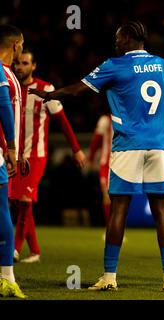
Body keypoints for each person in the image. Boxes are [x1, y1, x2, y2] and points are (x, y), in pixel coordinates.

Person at [30, 21, 164, 293]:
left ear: (128, 38)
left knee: (118, 209)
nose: (116, 43)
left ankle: (109, 277)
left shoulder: (114, 65)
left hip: (128, 146)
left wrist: (50, 94)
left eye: (119, 38)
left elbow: (78, 90)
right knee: (162, 211)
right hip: (160, 147)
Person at [12, 49, 86, 263]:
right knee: (20, 203)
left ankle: (14, 249)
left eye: (25, 63)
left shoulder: (46, 89)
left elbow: (62, 121)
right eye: (17, 63)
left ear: (33, 66)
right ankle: (34, 251)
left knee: (25, 199)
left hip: (37, 155)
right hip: (16, 157)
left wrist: (76, 149)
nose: (20, 67)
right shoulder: (12, 89)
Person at [0, 23, 26, 298]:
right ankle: (7, 276)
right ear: (16, 45)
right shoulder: (5, 75)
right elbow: (6, 109)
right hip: (1, 150)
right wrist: (13, 150)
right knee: (2, 208)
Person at [87, 114, 112, 226]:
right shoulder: (105, 120)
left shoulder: (127, 116)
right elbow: (96, 140)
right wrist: (91, 158)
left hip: (122, 164)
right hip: (106, 164)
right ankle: (110, 229)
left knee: (120, 199)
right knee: (107, 197)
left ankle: (117, 229)